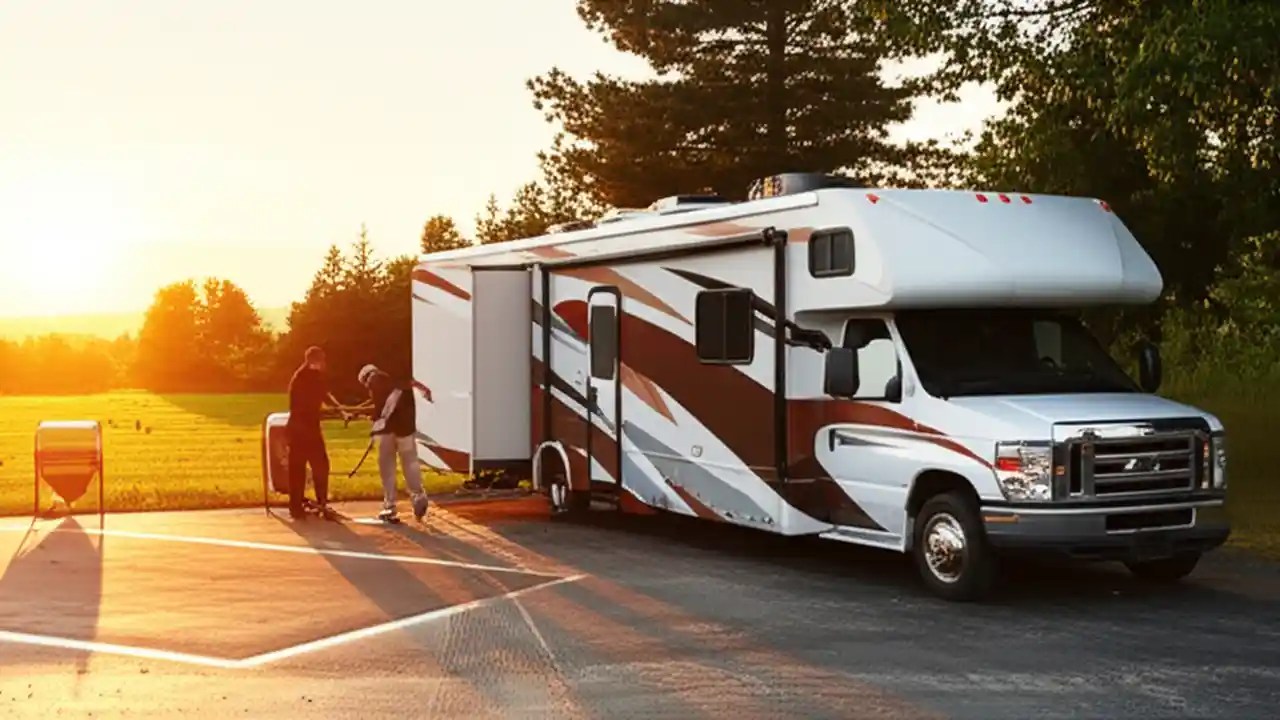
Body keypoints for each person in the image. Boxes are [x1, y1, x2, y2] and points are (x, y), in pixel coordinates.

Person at [357, 363, 429, 522]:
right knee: (410, 462)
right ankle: (418, 496)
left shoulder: (374, 379)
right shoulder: (393, 379)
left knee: (387, 467)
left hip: (387, 431)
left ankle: (389, 505)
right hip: (406, 427)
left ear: (366, 377)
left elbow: (382, 409)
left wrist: (374, 422)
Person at [286, 346, 347, 519]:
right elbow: (313, 402)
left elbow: (325, 396)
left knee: (303, 468)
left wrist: (340, 410)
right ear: (314, 361)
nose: (323, 364)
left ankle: (302, 506)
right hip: (303, 430)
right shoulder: (304, 379)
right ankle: (315, 504)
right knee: (315, 466)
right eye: (321, 361)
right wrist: (334, 411)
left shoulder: (310, 376)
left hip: (303, 428)